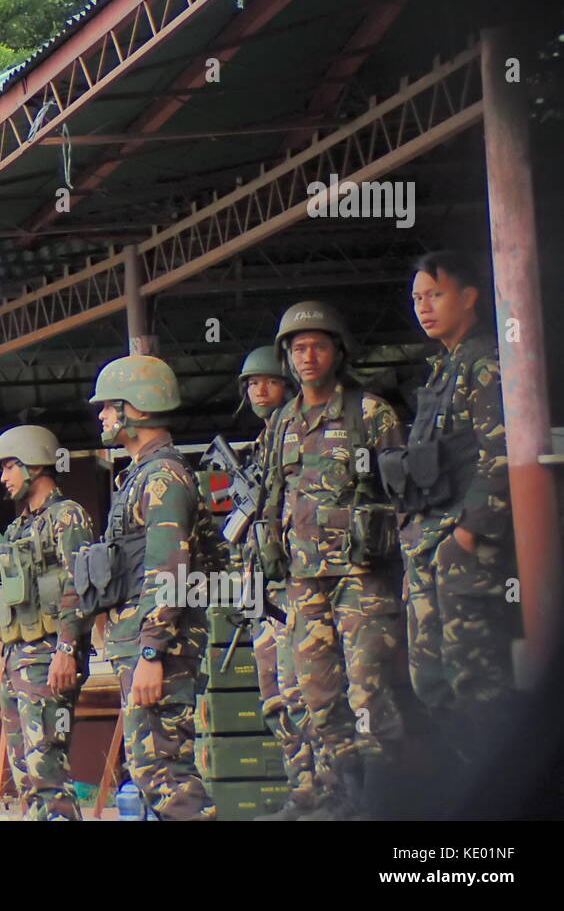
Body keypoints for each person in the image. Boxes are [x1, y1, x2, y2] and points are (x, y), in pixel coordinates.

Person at [261, 301, 407, 820]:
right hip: (304, 582)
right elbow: (273, 497)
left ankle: (391, 804)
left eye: (318, 346)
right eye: (298, 349)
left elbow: (405, 497)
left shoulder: (369, 413)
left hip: (362, 579)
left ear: (338, 351)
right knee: (317, 700)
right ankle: (343, 802)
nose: (308, 356)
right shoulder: (281, 423)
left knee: (370, 694)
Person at [382, 251, 517, 763]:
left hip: (461, 547)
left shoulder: (484, 361)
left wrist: (470, 533)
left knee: (475, 680)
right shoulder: (444, 369)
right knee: (431, 680)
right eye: (417, 298)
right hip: (429, 544)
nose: (424, 307)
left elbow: (502, 452)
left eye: (435, 295)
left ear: (469, 298)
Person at [88, 355, 219, 820]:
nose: (102, 416)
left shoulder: (162, 478)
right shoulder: (143, 476)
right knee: (151, 770)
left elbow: (170, 570)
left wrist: (150, 652)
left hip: (160, 649)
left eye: (109, 406)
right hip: (147, 645)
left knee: (165, 773)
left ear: (136, 409)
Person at [0, 425, 94, 820]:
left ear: (36, 464)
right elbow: (1, 593)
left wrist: (67, 651)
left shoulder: (67, 516)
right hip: (16, 658)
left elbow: (80, 586)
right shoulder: (20, 527)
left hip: (49, 655)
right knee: (24, 769)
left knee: (46, 768)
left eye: (9, 466)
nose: (3, 478)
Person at [235, 346, 314, 821]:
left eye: (268, 381)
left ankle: (327, 793)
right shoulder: (264, 442)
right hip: (264, 590)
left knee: (304, 692)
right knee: (275, 697)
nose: (259, 390)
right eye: (251, 384)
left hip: (294, 586)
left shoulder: (299, 430)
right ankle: (302, 790)